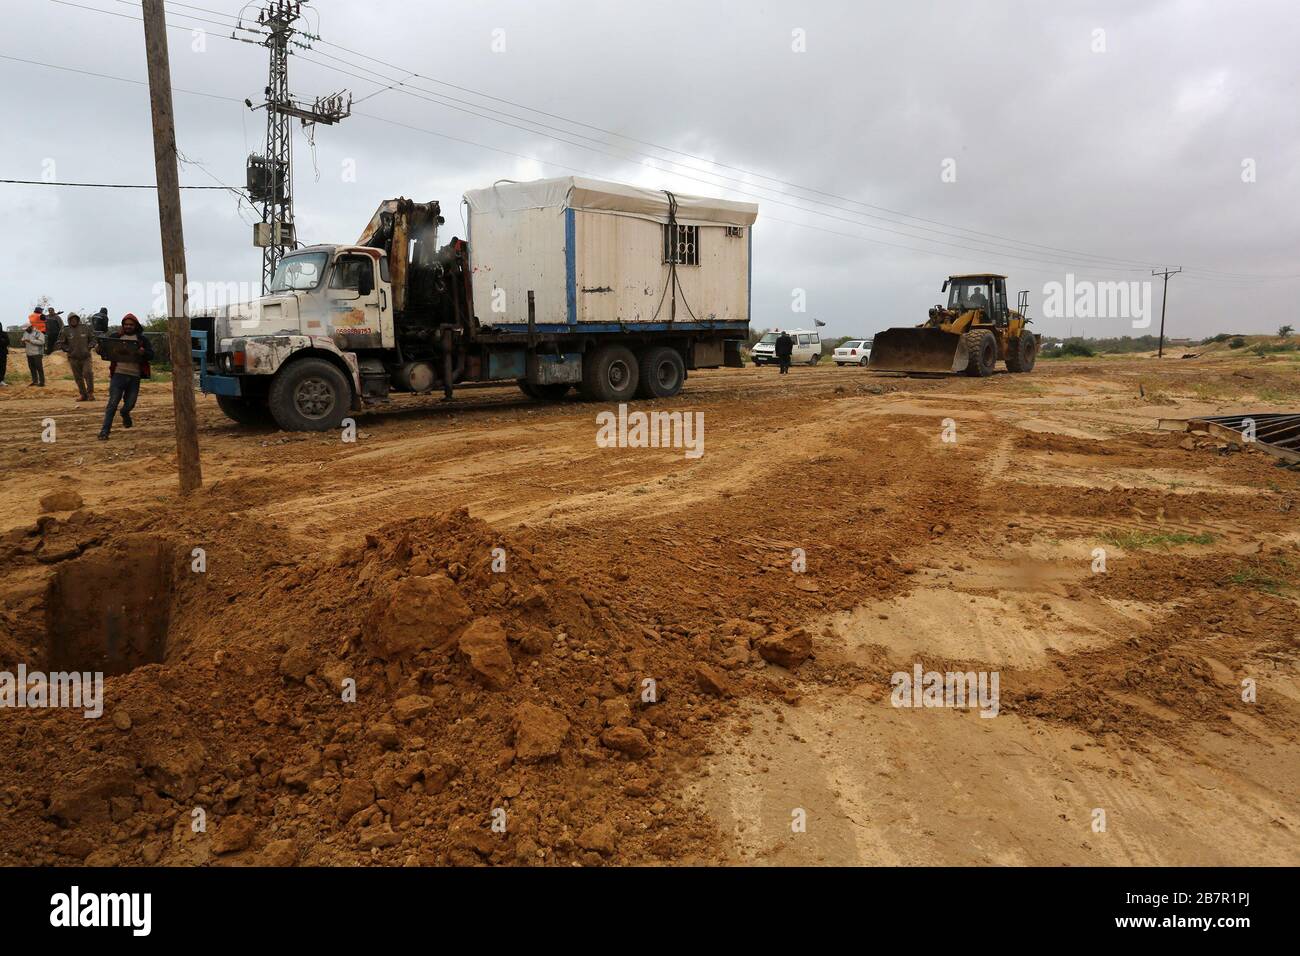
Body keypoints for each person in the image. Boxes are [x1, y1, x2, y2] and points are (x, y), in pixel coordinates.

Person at [98, 313, 153, 440]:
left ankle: (125, 413)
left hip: (134, 376)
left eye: (131, 325)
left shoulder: (142, 340)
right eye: (126, 324)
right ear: (123, 325)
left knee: (130, 404)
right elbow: (104, 350)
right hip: (118, 375)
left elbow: (151, 355)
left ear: (135, 325)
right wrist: (99, 348)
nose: (128, 327)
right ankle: (104, 431)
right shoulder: (115, 337)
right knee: (112, 404)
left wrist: (143, 352)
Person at [56, 312, 96, 401]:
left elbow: (93, 340)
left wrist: (89, 347)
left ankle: (90, 393)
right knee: (78, 377)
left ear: (78, 319)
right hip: (73, 358)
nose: (73, 321)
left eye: (75, 319)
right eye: (71, 319)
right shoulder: (65, 330)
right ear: (69, 320)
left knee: (88, 373)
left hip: (86, 357)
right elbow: (61, 343)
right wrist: (68, 349)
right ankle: (83, 394)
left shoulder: (85, 328)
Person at [21, 317, 46, 387]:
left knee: (39, 367)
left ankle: (42, 382)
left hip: (37, 353)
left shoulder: (38, 333)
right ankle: (35, 381)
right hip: (29, 353)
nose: (26, 330)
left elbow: (42, 342)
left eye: (27, 329)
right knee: (32, 368)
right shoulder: (25, 333)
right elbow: (23, 339)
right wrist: (23, 341)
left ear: (30, 327)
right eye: (25, 329)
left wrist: (31, 341)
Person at [0, 322, 8, 386]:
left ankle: (1, 380)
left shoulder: (4, 333)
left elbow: (7, 342)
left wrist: (2, 340)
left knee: (2, 366)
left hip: (2, 353)